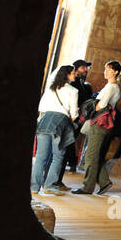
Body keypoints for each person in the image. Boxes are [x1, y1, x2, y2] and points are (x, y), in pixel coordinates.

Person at [71, 60, 121, 195]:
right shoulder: (110, 86)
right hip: (98, 123)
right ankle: (104, 182)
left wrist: (90, 107)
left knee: (91, 156)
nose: (105, 72)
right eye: (105, 69)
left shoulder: (112, 87)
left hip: (99, 124)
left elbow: (101, 105)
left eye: (109, 70)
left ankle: (87, 187)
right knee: (94, 155)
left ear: (116, 72)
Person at [32, 65, 80, 197]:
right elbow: (74, 113)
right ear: (67, 75)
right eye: (73, 73)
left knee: (41, 157)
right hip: (60, 123)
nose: (75, 75)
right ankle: (49, 186)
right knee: (58, 156)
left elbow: (41, 106)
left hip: (45, 120)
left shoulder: (51, 89)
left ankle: (33, 187)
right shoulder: (73, 90)